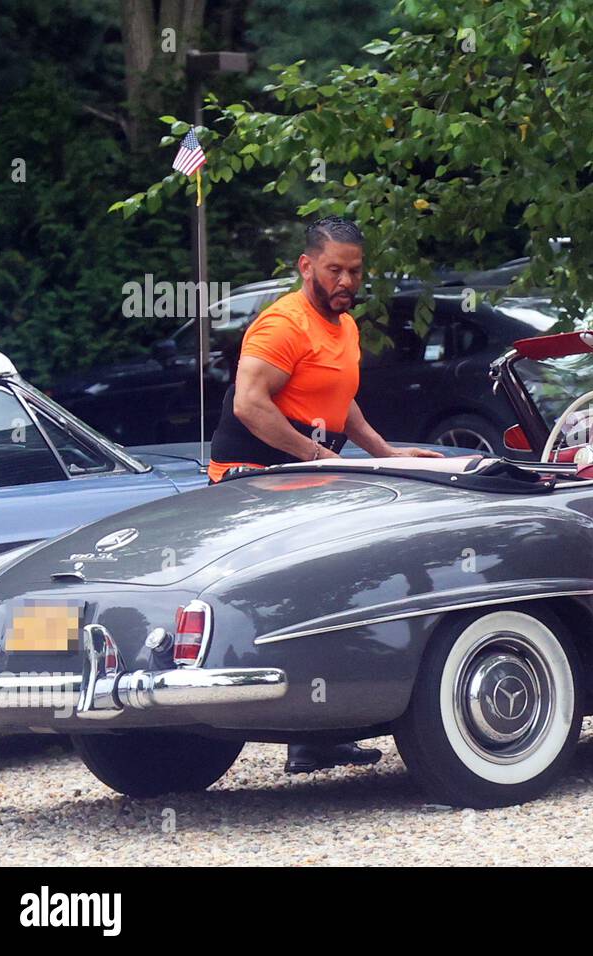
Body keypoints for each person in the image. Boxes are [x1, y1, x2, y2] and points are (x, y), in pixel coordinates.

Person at [208, 215, 443, 774]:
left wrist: (384, 453)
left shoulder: (344, 326)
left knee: (329, 592)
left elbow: (341, 401)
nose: (345, 281)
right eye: (334, 270)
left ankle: (317, 734)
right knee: (294, 597)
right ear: (306, 266)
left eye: (355, 271)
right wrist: (315, 455)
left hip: (305, 477)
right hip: (250, 477)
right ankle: (288, 724)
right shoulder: (282, 324)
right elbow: (249, 404)